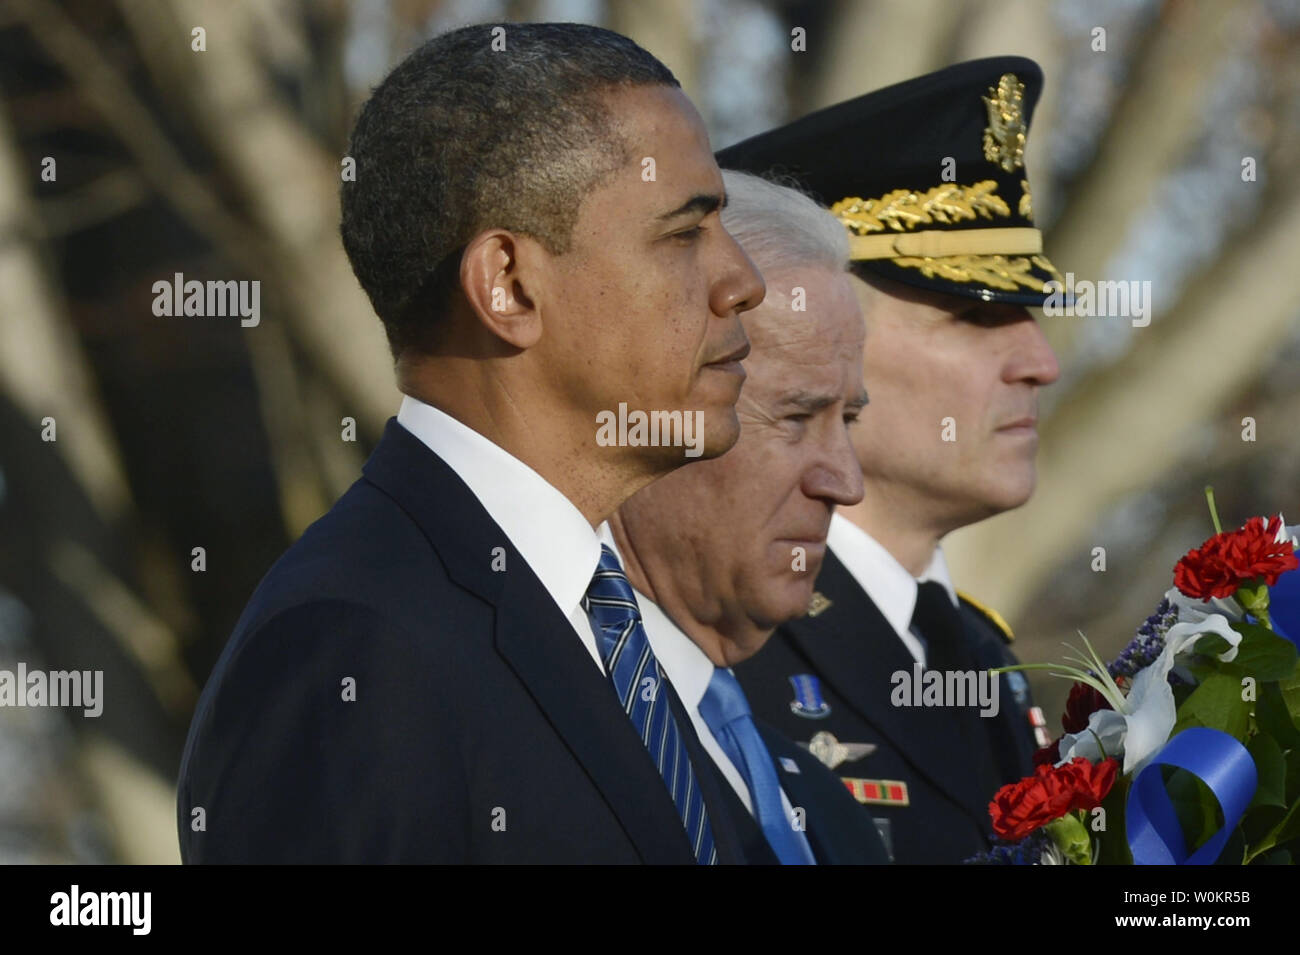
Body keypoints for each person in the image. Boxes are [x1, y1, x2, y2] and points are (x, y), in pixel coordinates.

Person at [176, 22, 764, 864]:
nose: (745, 280)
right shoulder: (352, 642)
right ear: (508, 285)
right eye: (683, 233)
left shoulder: (614, 627)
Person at [721, 57, 1064, 864]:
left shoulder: (976, 650)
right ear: (825, 335)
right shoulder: (726, 633)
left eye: (1032, 312)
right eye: (975, 316)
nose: (1041, 362)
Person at [609, 169, 887, 864]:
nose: (845, 482)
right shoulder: (530, 733)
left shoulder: (825, 805)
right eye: (796, 416)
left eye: (847, 419)